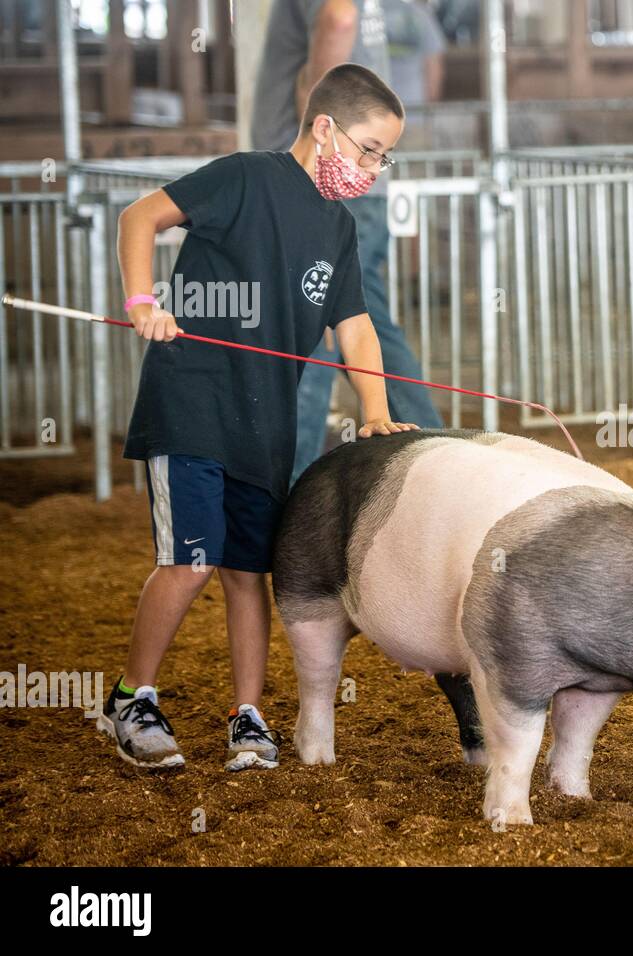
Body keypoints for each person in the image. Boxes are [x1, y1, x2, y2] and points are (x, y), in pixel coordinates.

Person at [104, 64, 418, 771]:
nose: (374, 167)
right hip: (192, 399)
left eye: (385, 156)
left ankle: (247, 716)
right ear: (325, 128)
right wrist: (142, 303)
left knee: (248, 571)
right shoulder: (244, 176)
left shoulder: (337, 227)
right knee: (190, 561)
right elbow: (139, 216)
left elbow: (357, 327)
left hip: (265, 419)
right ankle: (131, 696)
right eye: (369, 149)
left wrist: (375, 411)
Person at [252, 0, 445, 486]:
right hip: (363, 189)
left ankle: (285, 488)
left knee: (308, 331)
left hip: (326, 181)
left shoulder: (321, 146)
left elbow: (338, 16)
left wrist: (320, 137)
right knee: (362, 318)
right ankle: (439, 459)